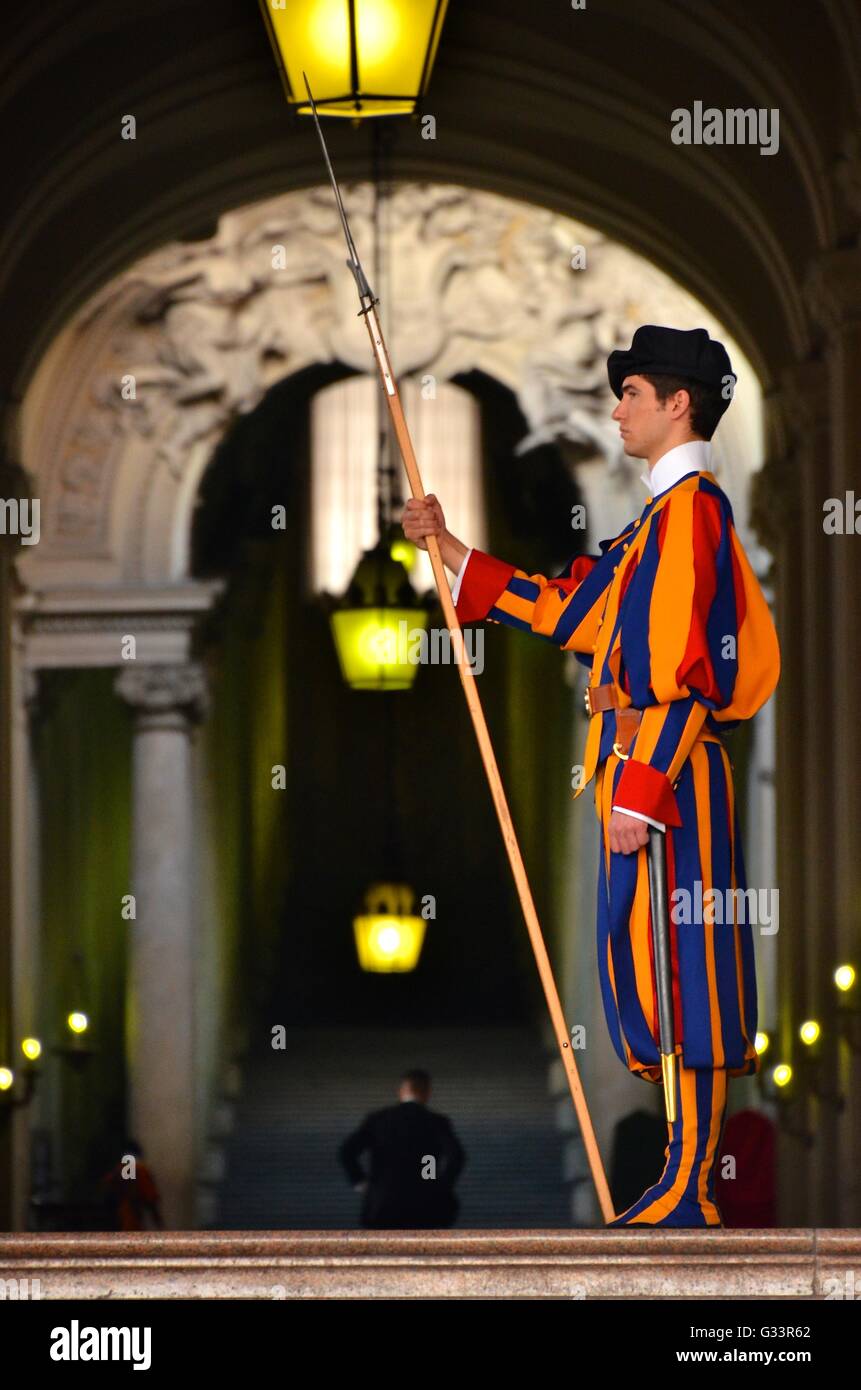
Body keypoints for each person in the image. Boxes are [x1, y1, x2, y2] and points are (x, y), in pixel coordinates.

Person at [401, 325, 780, 1228]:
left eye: (632, 395)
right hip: (645, 777)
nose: (616, 410)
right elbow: (569, 606)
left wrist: (639, 794)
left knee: (682, 970)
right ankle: (677, 1176)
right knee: (646, 969)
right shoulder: (656, 521)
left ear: (676, 404)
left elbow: (692, 671)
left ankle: (689, 1186)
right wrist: (450, 548)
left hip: (669, 778)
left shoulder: (693, 514)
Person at [338, 1068, 466, 1228]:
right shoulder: (436, 1121)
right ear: (427, 1092)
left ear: (401, 1091)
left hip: (383, 1204)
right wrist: (439, 1185)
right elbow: (456, 1156)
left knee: (383, 1250)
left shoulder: (379, 1119)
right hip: (426, 1204)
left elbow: (347, 1152)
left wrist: (363, 1184)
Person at [100, 1138, 163, 1231]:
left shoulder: (117, 1170)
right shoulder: (140, 1170)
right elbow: (151, 1200)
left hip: (114, 1224)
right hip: (129, 1222)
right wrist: (160, 1225)